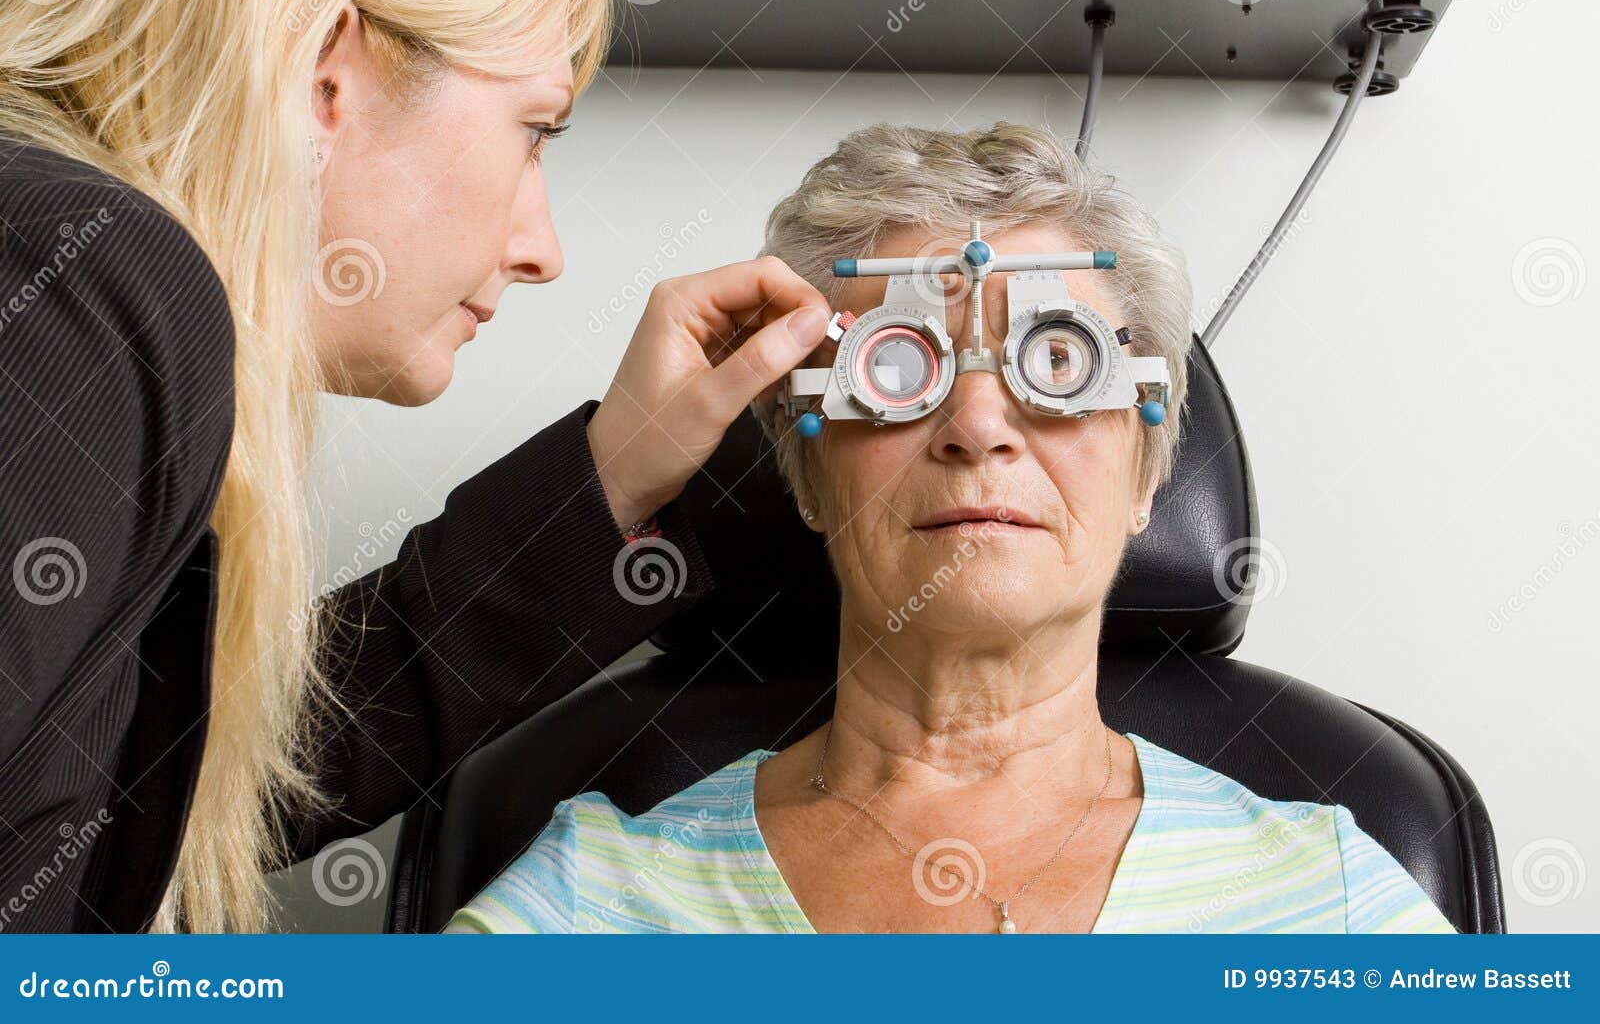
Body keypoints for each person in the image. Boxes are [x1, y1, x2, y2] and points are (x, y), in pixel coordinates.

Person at [0, 0, 829, 932]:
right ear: (325, 75)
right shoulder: (87, 282)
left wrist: (616, 471)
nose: (542, 250)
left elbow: (174, 787)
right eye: (536, 130)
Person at [447, 123, 1457, 934]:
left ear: (1147, 469)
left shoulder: (1331, 906)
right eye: (897, 368)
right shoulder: (592, 908)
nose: (976, 425)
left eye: (1056, 364)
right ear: (805, 471)